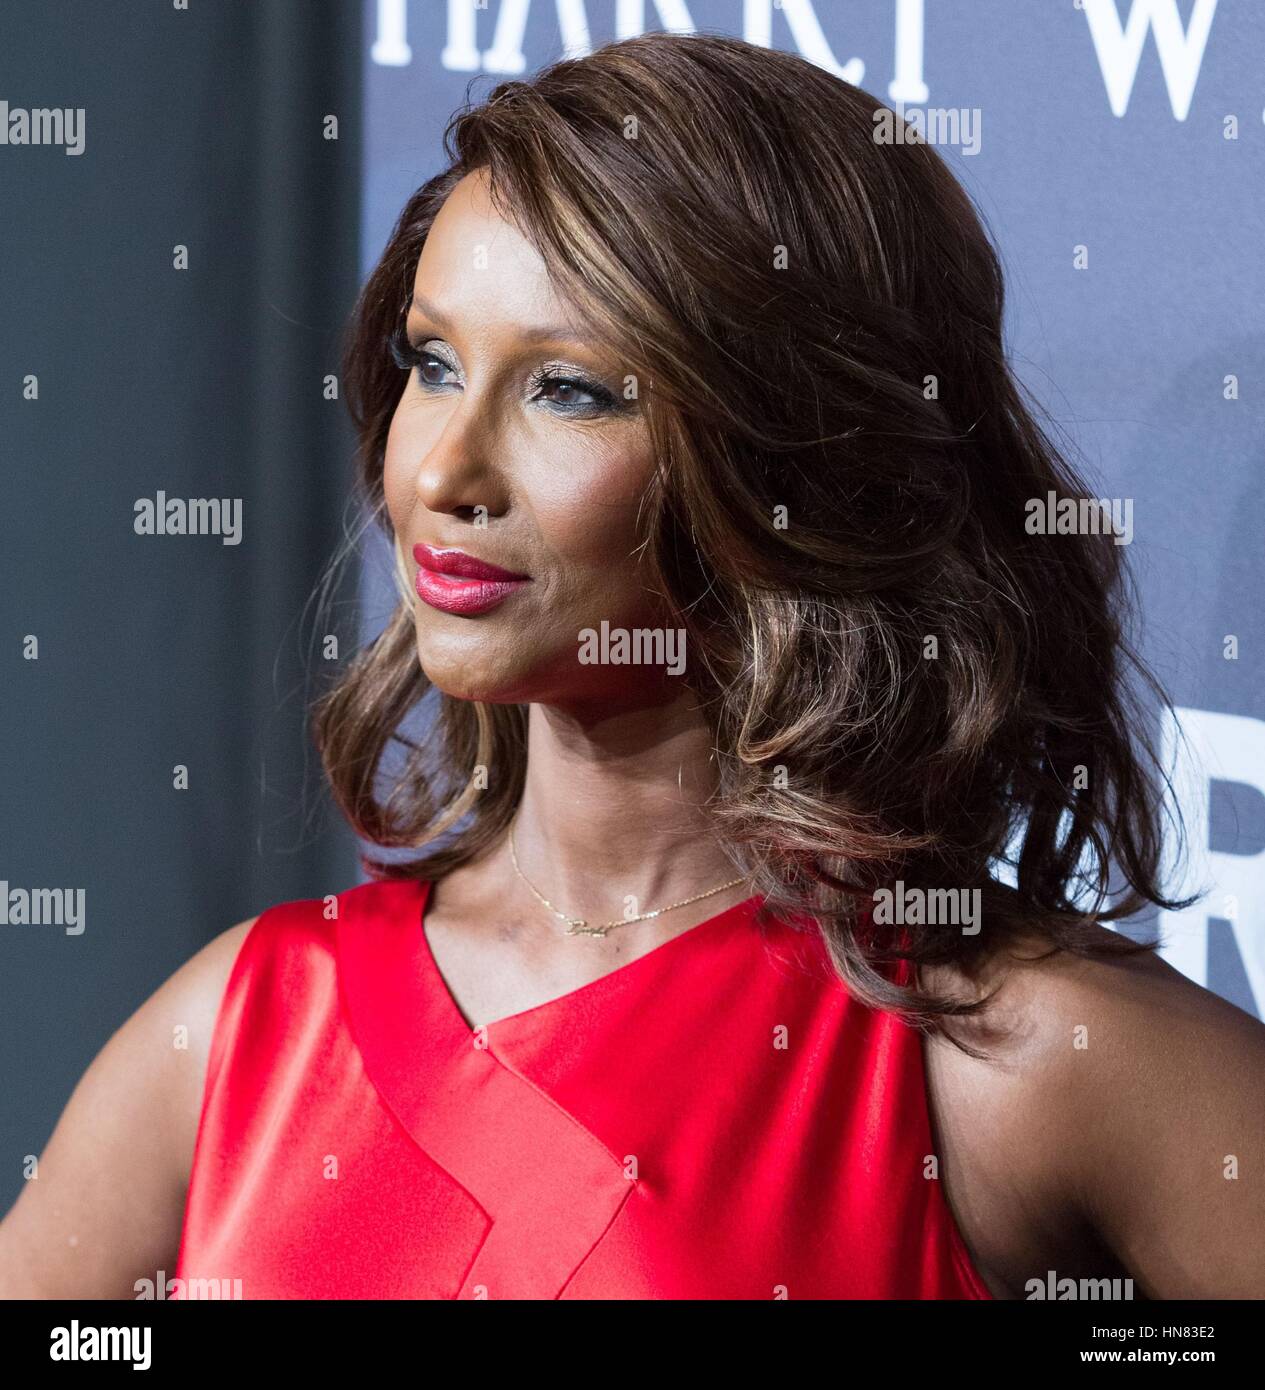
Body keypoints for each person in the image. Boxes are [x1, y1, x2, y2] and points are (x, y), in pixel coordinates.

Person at [2, 32, 1262, 1300]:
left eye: (568, 390)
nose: (442, 473)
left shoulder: (998, 1053)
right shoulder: (246, 1028)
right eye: (431, 364)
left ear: (786, 453)